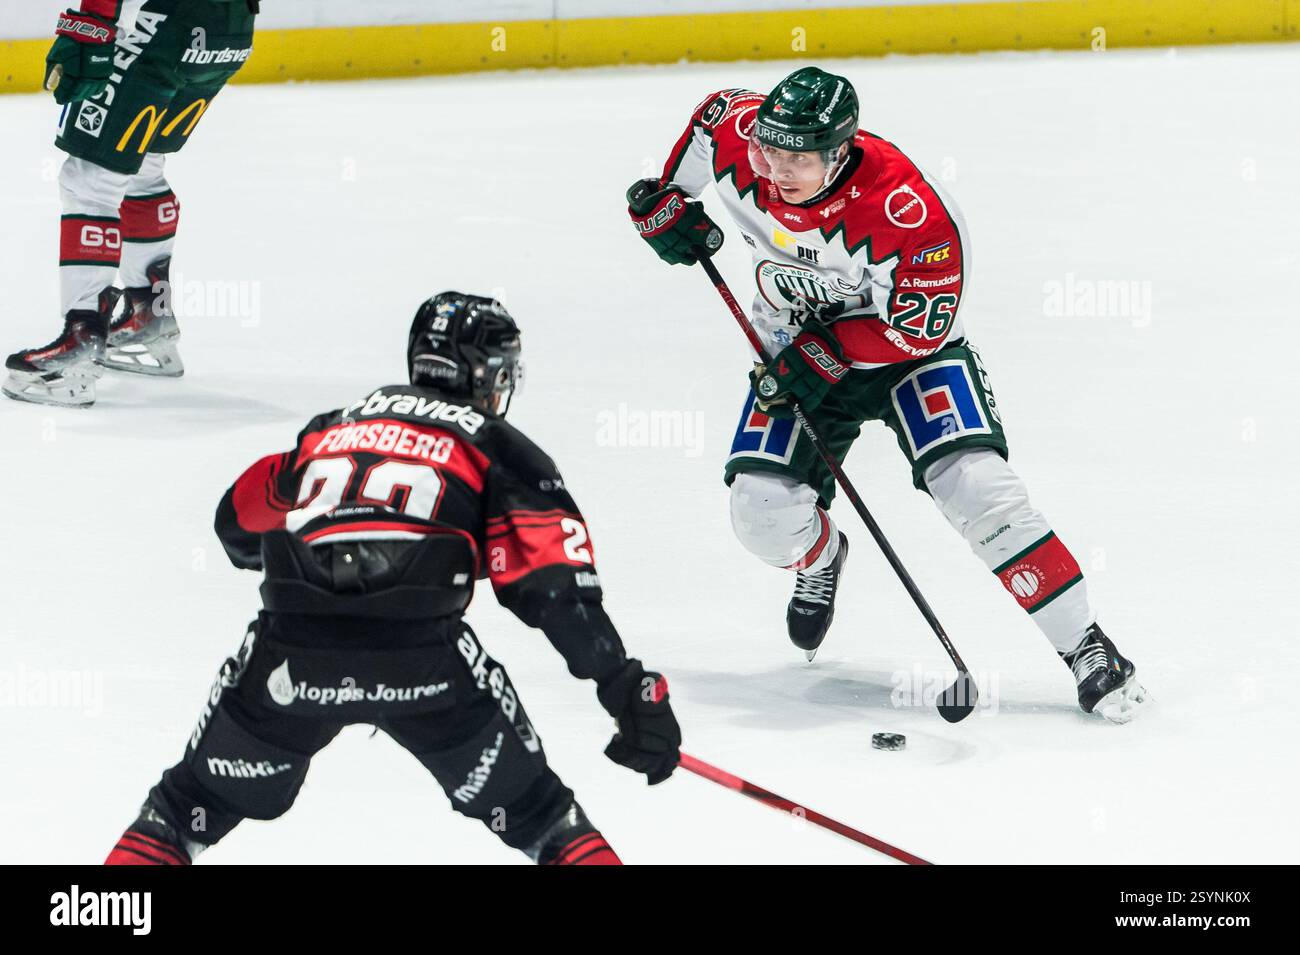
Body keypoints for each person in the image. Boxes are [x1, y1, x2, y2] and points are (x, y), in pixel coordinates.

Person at [626, 67, 1147, 722]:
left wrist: (832, 351)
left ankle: (1085, 647)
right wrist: (663, 205)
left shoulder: (911, 211)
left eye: (798, 158)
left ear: (839, 151)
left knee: (980, 491)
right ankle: (821, 557)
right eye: (769, 151)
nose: (776, 170)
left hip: (909, 358)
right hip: (794, 348)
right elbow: (707, 126)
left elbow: (919, 328)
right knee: (759, 512)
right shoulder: (739, 136)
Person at [105, 293, 682, 865]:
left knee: (188, 809)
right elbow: (553, 587)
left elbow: (235, 525)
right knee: (540, 816)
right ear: (489, 373)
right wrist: (625, 687)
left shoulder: (332, 428)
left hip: (293, 652)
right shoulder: (498, 445)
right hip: (424, 663)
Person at [4, 0, 261, 408]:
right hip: (227, 30)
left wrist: (93, 22)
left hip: (163, 24)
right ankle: (148, 315)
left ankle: (81, 340)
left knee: (90, 177)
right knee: (141, 167)